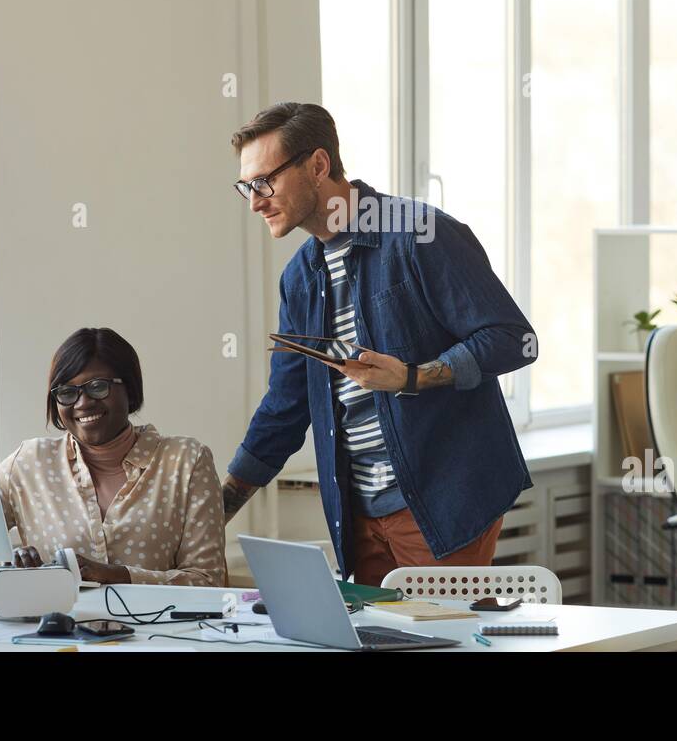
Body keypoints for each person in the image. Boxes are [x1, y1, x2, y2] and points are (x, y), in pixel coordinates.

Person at [221, 102, 537, 586]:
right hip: (355, 514)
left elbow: (514, 339)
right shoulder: (299, 279)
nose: (255, 201)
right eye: (247, 187)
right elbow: (286, 406)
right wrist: (217, 510)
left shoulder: (418, 235)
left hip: (440, 499)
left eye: (264, 182)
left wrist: (414, 376)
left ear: (318, 165)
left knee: (441, 642)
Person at [0, 328, 227, 586]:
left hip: (158, 638)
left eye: (98, 387)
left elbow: (207, 580)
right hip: (52, 635)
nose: (83, 403)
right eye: (67, 392)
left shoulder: (186, 461)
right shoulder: (29, 463)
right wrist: (4, 566)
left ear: (130, 388)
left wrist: (118, 575)